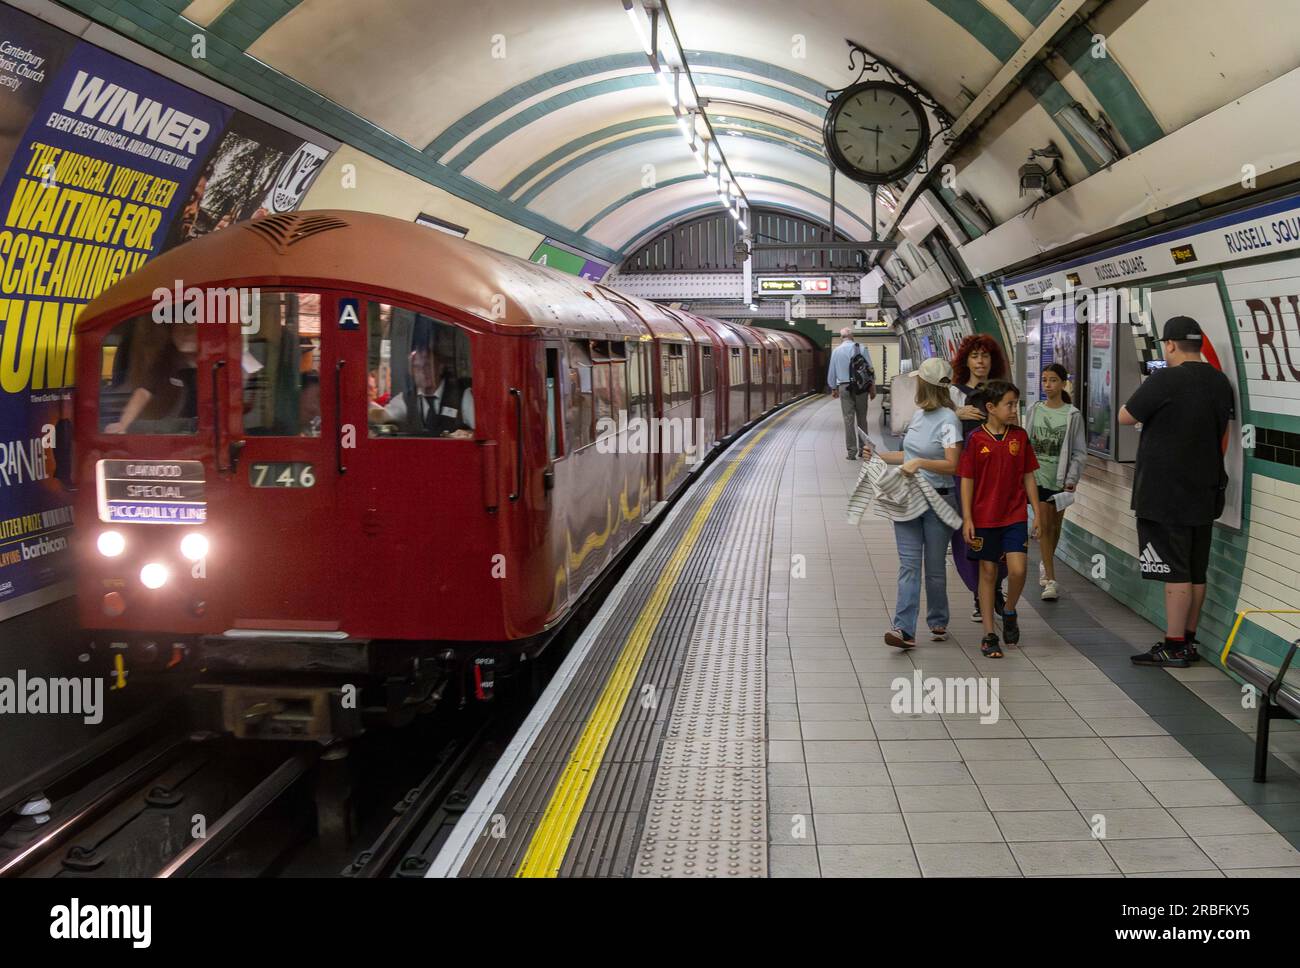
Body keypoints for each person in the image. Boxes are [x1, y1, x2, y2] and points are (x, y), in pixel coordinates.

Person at [1120, 316, 1234, 667]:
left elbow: (1126, 416)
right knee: (1196, 569)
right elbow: (1224, 437)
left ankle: (1172, 644)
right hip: (1206, 489)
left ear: (1169, 344)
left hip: (1166, 492)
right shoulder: (1220, 382)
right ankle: (1189, 641)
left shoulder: (1166, 379)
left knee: (1175, 572)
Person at [866, 357, 963, 649]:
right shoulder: (919, 415)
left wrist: (919, 462)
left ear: (927, 384)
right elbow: (907, 456)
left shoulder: (949, 420)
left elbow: (952, 464)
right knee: (908, 565)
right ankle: (903, 629)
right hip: (907, 498)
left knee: (933, 567)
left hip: (937, 501)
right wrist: (879, 456)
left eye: (919, 380)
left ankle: (937, 619)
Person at [958, 380, 1042, 658]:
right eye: (1009, 404)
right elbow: (967, 480)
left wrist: (1037, 513)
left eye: (1016, 404)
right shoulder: (976, 439)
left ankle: (1009, 610)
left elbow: (1028, 474)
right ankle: (989, 634)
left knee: (1018, 570)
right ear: (991, 408)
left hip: (1014, 515)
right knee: (988, 573)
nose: (1014, 409)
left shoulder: (1019, 436)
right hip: (984, 518)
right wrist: (968, 517)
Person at [948, 334, 1011, 620]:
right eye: (975, 356)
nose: (980, 361)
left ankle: (995, 585)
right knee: (968, 533)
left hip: (997, 473)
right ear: (966, 361)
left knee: (999, 528)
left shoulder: (1001, 392)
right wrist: (956, 414)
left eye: (985, 356)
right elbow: (939, 427)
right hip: (966, 473)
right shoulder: (953, 394)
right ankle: (978, 591)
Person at [1025, 363, 1086, 601]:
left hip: (1059, 479)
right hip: (1036, 476)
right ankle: (1050, 580)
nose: (1047, 385)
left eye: (1052, 380)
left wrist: (1071, 479)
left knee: (1054, 527)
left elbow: (1079, 452)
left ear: (1063, 383)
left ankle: (1045, 560)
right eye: (1044, 380)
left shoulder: (1072, 415)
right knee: (1044, 526)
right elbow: (1026, 440)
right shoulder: (1035, 410)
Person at [104, 324, 199, 434]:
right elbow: (143, 392)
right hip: (181, 431)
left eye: (189, 330)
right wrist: (123, 424)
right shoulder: (166, 359)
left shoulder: (215, 357)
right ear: (172, 334)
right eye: (178, 330)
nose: (184, 335)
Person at [369, 343, 474, 438]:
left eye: (428, 365)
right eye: (417, 367)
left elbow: (486, 431)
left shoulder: (462, 396)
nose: (423, 372)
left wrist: (470, 434)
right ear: (412, 372)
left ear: (440, 367)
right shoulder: (406, 399)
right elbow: (383, 415)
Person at [827, 328, 875, 459]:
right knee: (862, 419)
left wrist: (833, 388)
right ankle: (864, 450)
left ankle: (851, 452)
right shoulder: (861, 348)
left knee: (848, 419)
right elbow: (870, 369)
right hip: (861, 387)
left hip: (844, 386)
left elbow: (832, 371)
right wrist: (872, 387)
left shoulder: (836, 351)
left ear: (841, 337)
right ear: (852, 336)